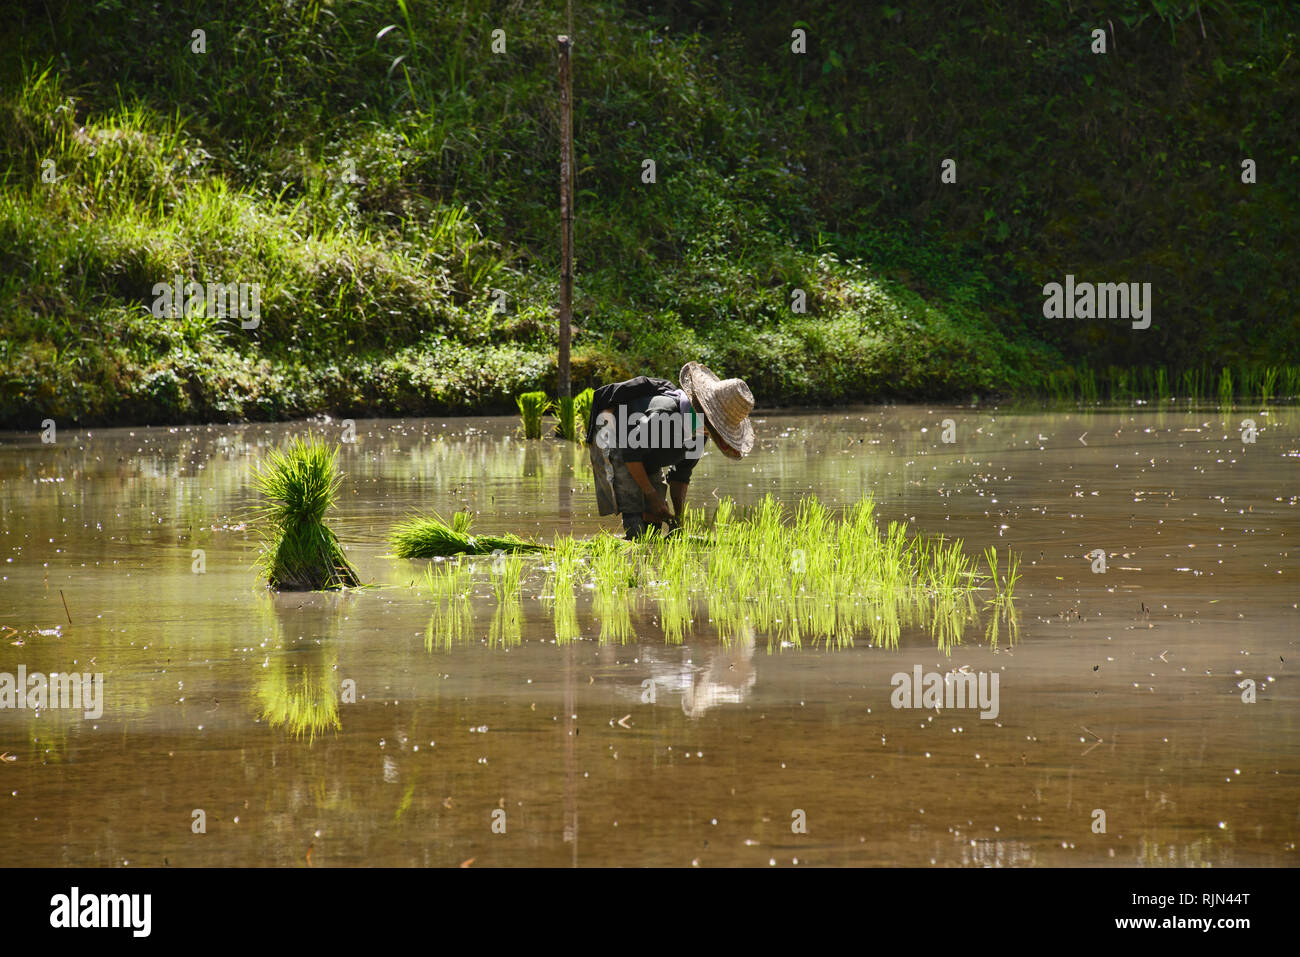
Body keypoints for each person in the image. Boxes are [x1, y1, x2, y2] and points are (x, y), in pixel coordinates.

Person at [585, 362, 755, 539]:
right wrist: (651, 495)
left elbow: (681, 475)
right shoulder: (664, 415)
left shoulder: (701, 431)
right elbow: (630, 453)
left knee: (653, 526)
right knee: (636, 524)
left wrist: (679, 521)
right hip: (616, 442)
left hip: (646, 457)